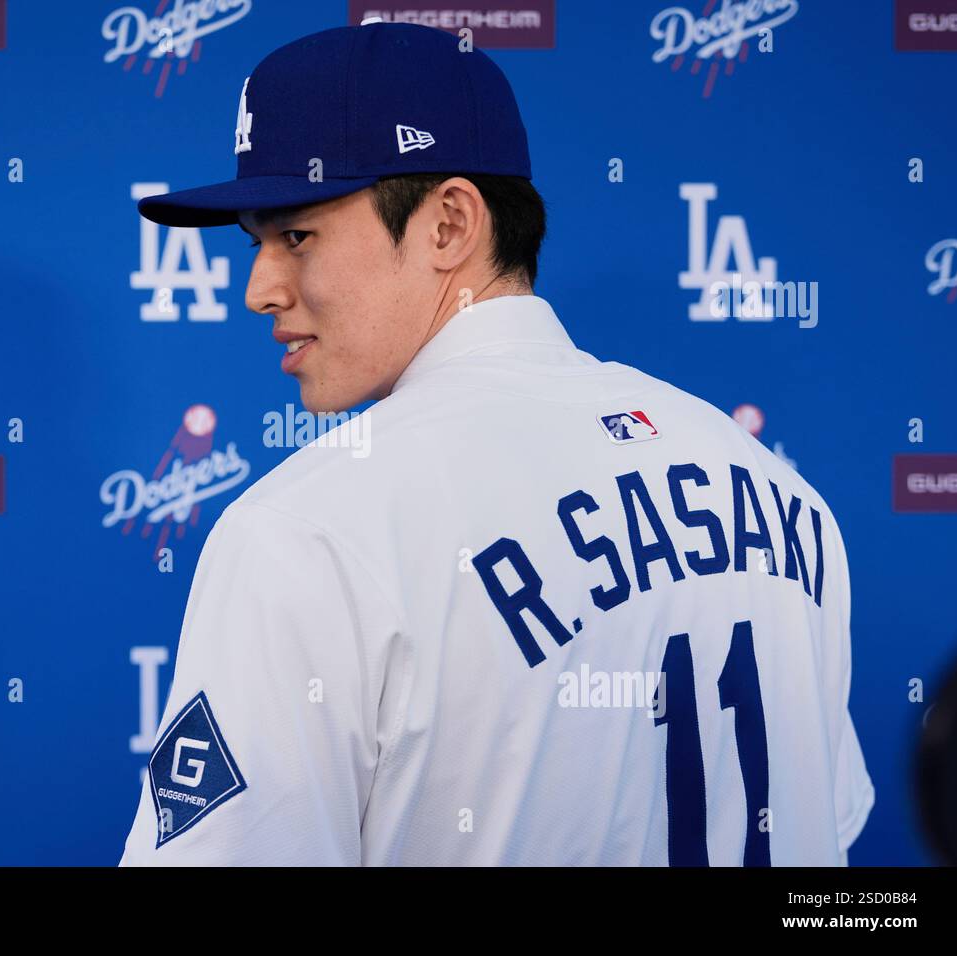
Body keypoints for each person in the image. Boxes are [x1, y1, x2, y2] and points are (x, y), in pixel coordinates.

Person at [119, 20, 873, 865]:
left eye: (296, 236)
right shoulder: (777, 492)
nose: (259, 289)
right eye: (255, 243)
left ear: (449, 224)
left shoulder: (305, 532)